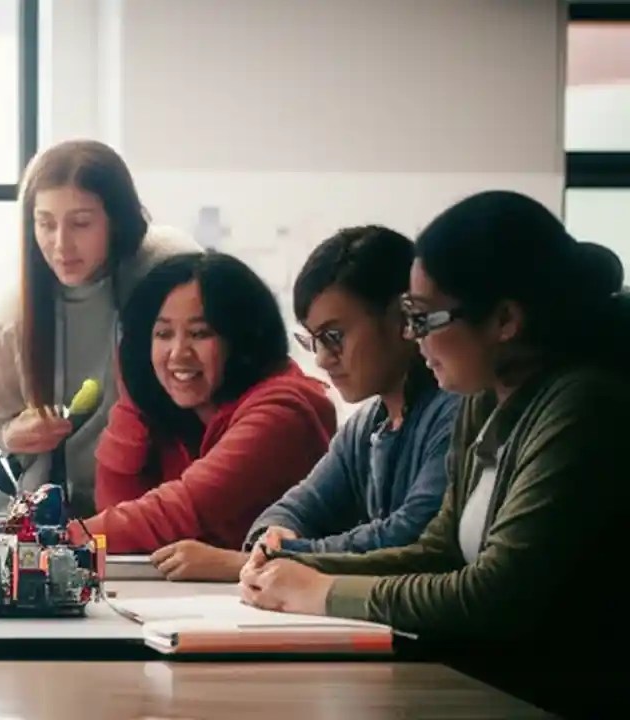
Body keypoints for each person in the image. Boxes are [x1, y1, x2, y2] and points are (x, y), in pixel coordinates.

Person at [239, 191, 630, 717]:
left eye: (423, 320)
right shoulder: (483, 399)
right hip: (484, 688)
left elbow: (494, 594)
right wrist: (293, 561)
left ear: (505, 320)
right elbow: (438, 550)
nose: (414, 339)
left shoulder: (581, 407)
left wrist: (322, 591)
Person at [149, 226, 458, 580]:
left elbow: (408, 538)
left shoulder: (455, 413)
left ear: (402, 319)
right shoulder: (367, 426)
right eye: (315, 340)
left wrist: (256, 561)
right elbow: (292, 509)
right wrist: (275, 538)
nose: (324, 359)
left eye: (334, 336)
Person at [0, 140, 196, 518]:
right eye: (45, 224)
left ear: (118, 220)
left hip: (160, 504)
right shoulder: (17, 311)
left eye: (80, 223)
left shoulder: (167, 270)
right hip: (60, 514)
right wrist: (14, 435)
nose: (61, 245)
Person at [70, 252, 337, 554]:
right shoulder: (180, 409)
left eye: (199, 333)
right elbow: (116, 509)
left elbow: (180, 510)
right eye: (162, 334)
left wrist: (53, 540)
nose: (178, 353)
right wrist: (135, 392)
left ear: (240, 340)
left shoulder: (284, 412)